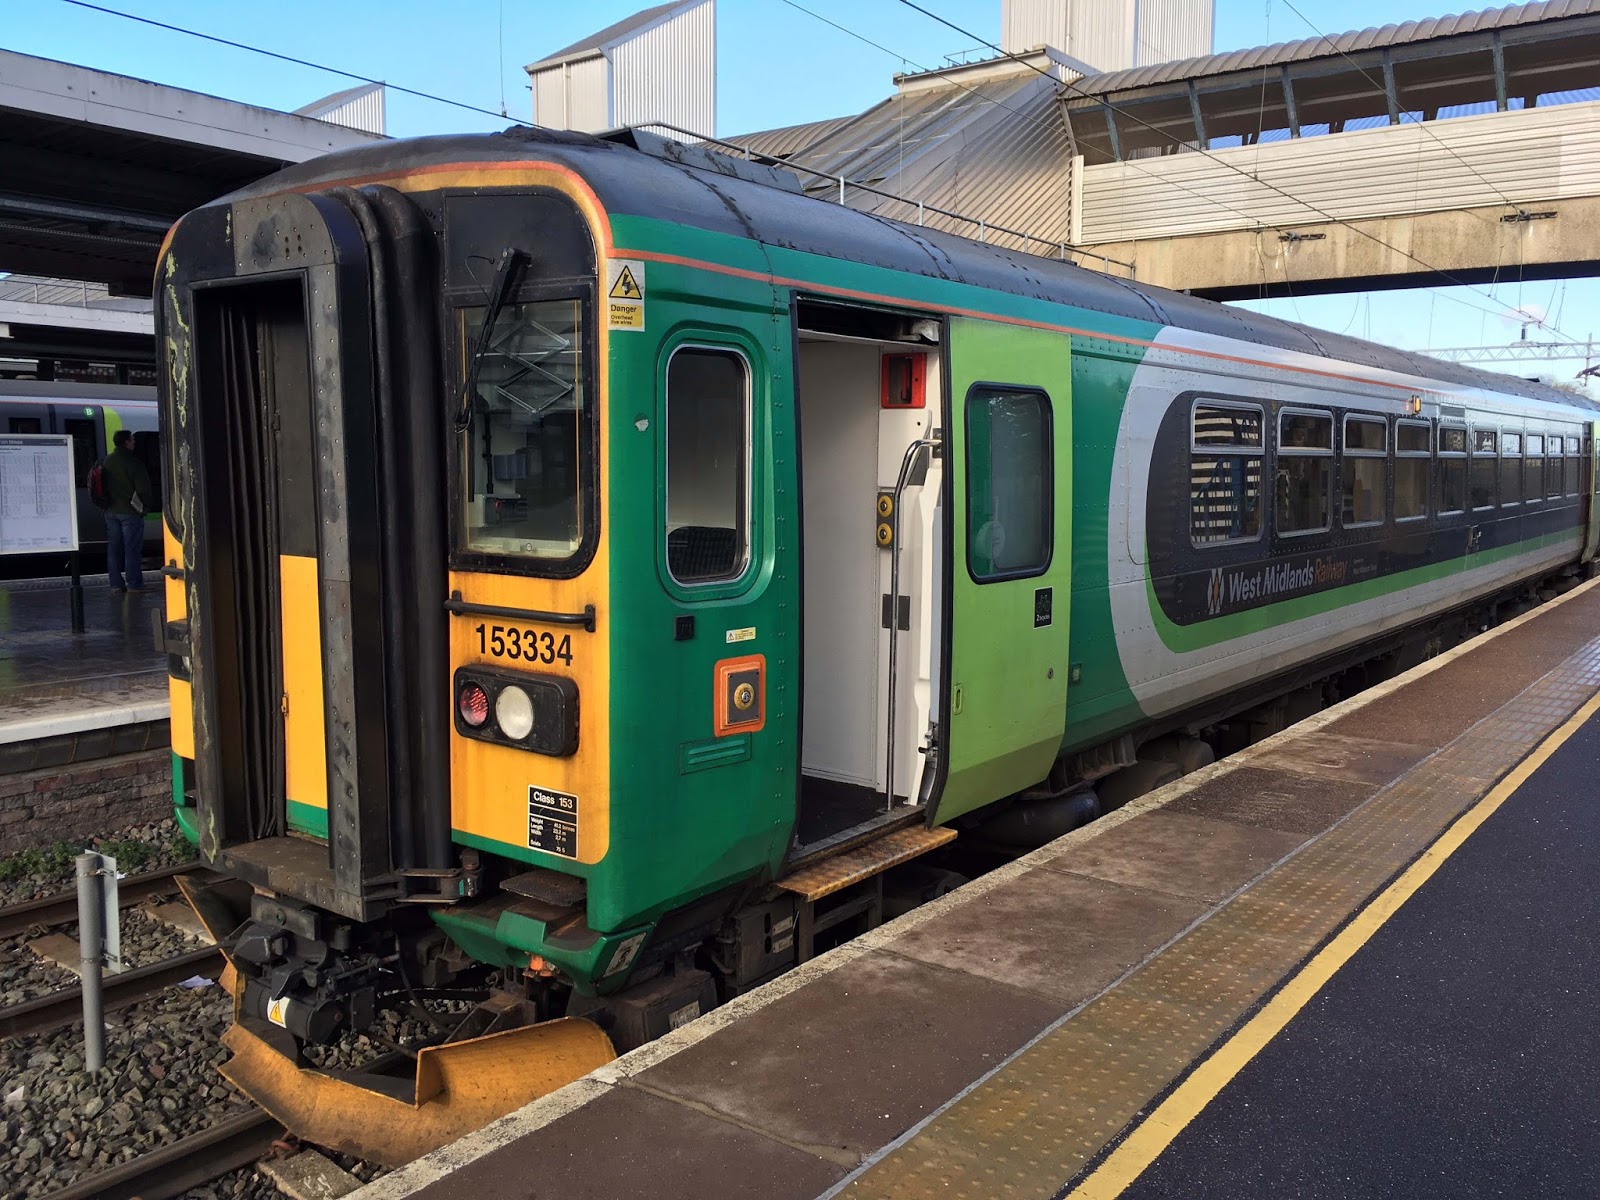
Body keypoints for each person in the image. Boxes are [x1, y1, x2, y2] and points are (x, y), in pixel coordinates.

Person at [102, 429, 154, 594]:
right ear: (126, 442)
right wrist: (146, 507)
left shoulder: (107, 461)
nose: (134, 442)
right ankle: (134, 584)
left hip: (111, 511)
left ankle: (116, 584)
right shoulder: (134, 463)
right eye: (132, 440)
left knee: (114, 549)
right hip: (130, 513)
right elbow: (144, 489)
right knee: (132, 549)